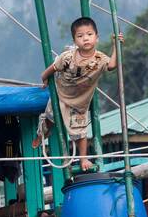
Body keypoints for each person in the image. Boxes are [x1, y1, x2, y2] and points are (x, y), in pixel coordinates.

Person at [31, 16, 122, 172]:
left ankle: (83, 158)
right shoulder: (68, 57)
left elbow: (112, 65)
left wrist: (116, 45)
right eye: (80, 36)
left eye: (89, 34)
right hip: (61, 94)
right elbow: (52, 68)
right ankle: (42, 134)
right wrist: (44, 78)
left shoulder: (100, 59)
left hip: (80, 102)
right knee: (51, 119)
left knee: (80, 132)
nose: (85, 38)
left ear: (97, 38)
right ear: (75, 41)